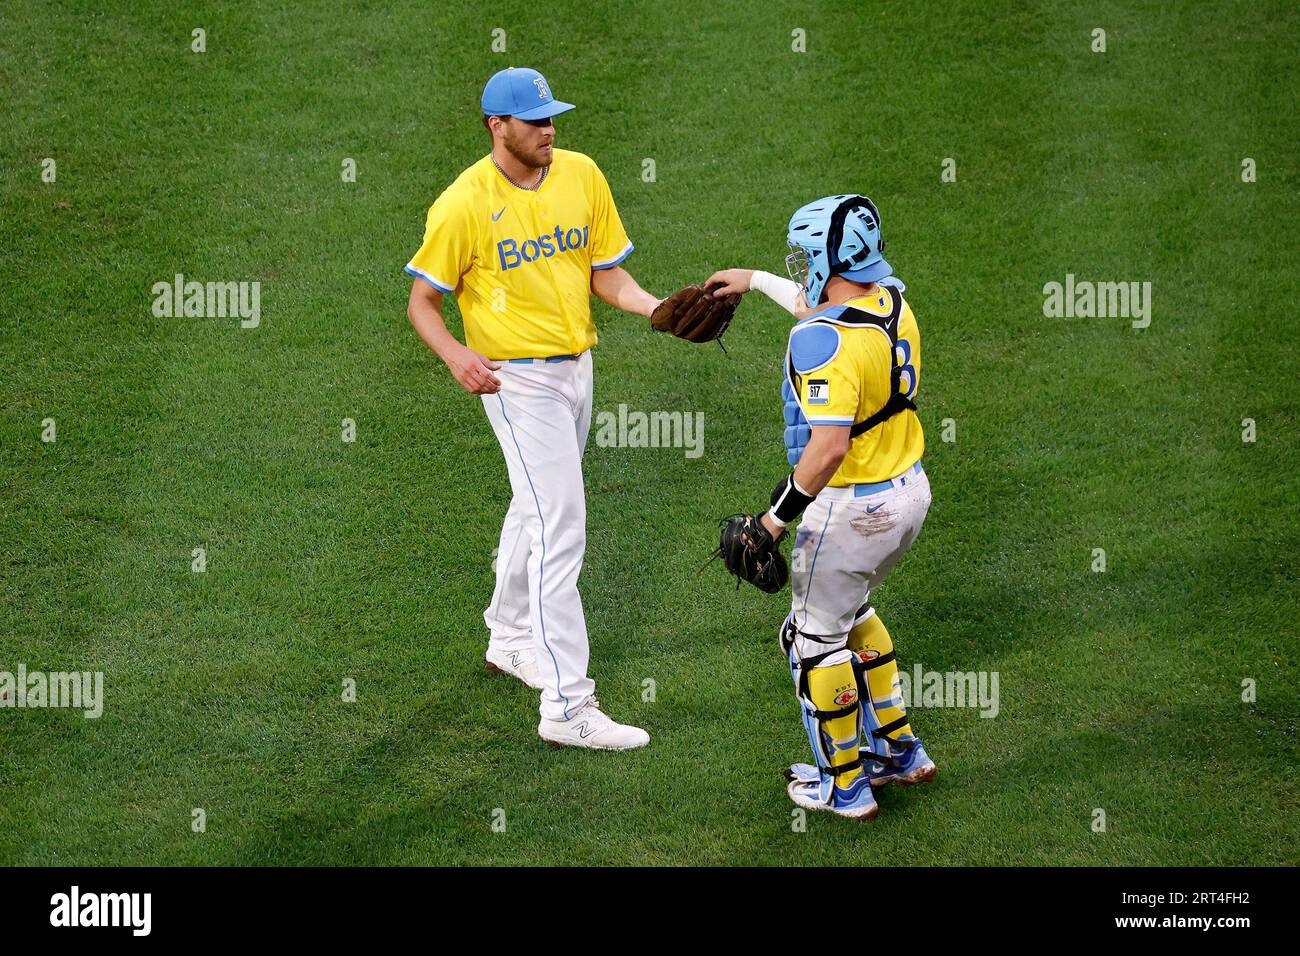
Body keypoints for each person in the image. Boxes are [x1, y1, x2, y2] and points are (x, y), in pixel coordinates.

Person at [403, 67, 664, 751]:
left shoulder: (580, 175)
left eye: (553, 118)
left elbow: (603, 269)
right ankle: (567, 706)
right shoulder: (464, 203)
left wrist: (652, 306)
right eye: (536, 121)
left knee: (534, 505)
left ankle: (510, 635)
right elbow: (422, 302)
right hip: (517, 384)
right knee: (561, 527)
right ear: (498, 126)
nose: (550, 130)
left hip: (578, 368)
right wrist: (457, 356)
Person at [707, 194, 936, 818]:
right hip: (909, 497)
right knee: (851, 614)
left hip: (853, 514)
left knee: (808, 641)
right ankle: (899, 752)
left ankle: (845, 787)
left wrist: (771, 521)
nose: (800, 262)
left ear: (827, 257)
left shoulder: (818, 341)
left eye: (805, 253)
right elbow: (827, 307)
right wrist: (753, 281)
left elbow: (829, 447)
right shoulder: (890, 302)